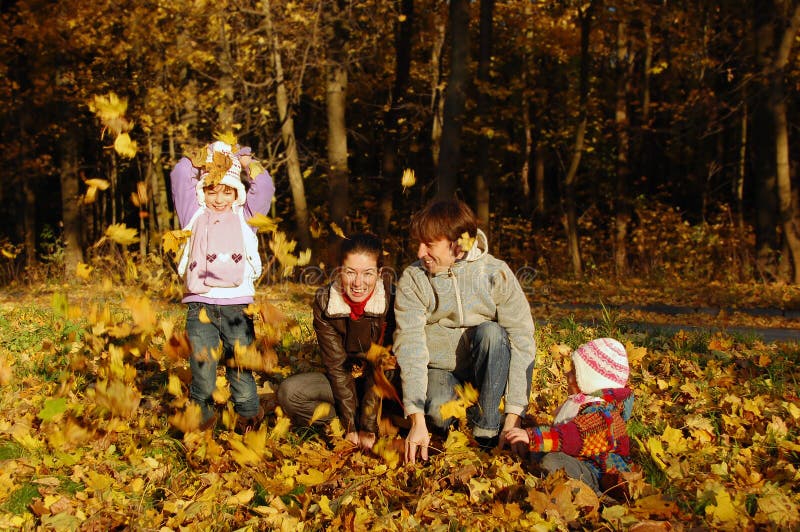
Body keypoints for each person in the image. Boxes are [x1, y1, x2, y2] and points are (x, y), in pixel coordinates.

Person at [394, 199, 536, 464]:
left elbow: (522, 341)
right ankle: (463, 420)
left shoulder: (496, 273)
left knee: (493, 333)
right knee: (436, 413)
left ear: (458, 246)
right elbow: (410, 345)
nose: (419, 252)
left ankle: (489, 429)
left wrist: (514, 417)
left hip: (487, 369)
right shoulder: (413, 279)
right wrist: (416, 418)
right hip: (441, 371)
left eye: (429, 244)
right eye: (419, 243)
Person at [171, 139, 275, 432]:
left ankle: (249, 421)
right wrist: (205, 156)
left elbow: (264, 185)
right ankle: (199, 428)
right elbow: (180, 174)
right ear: (202, 191)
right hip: (200, 305)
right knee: (202, 374)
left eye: (226, 191)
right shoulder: (193, 214)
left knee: (241, 371)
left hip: (237, 307)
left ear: (236, 192)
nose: (218, 198)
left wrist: (244, 161)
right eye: (211, 190)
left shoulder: (245, 217)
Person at [277, 233, 400, 450]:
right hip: (346, 382)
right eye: (350, 272)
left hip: (384, 385)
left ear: (380, 273)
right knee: (290, 393)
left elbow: (383, 368)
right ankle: (343, 424)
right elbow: (336, 367)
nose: (358, 283)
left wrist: (368, 425)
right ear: (339, 270)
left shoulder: (392, 300)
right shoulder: (325, 301)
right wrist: (351, 425)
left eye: (368, 273)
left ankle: (381, 422)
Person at [504, 338, 634, 498]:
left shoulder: (603, 414)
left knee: (553, 461)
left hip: (599, 473)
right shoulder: (583, 402)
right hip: (578, 460)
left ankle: (596, 497)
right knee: (541, 451)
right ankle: (542, 471)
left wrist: (533, 436)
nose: (567, 374)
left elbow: (574, 435)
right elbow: (562, 431)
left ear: (591, 381)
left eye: (574, 373)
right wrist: (532, 430)